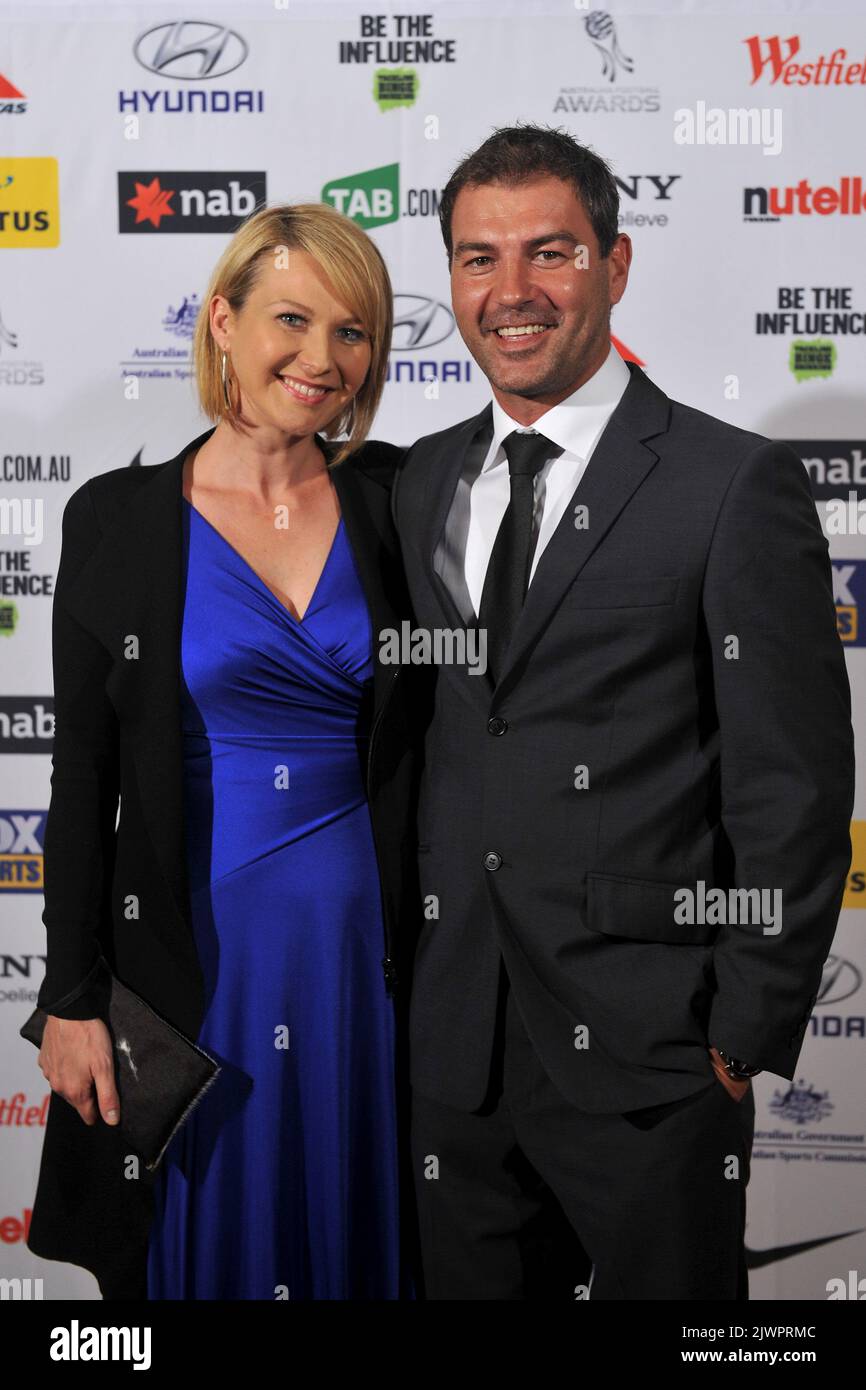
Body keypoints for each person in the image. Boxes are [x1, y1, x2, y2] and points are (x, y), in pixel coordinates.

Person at [391, 125, 855, 1300]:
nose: (511, 293)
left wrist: (744, 1024)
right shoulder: (417, 480)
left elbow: (791, 780)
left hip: (655, 1049)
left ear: (615, 262)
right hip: (455, 1041)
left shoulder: (727, 481)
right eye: (476, 258)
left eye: (549, 252)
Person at [26, 202, 420, 1300]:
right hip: (198, 959)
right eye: (291, 318)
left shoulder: (395, 500)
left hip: (369, 954)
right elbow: (82, 780)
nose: (322, 356)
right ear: (221, 320)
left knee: (367, 1222)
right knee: (209, 1239)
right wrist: (71, 996)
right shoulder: (117, 520)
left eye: (353, 332)